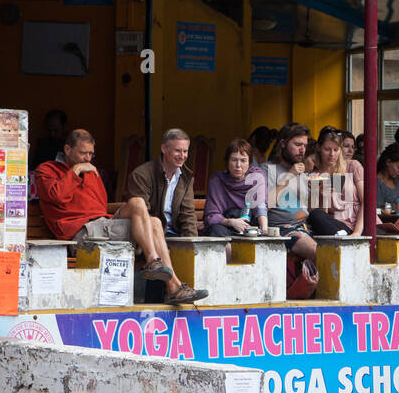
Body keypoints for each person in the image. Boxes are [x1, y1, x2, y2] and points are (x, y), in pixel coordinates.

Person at [35, 129, 207, 304]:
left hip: (104, 224)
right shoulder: (47, 170)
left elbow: (100, 206)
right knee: (154, 225)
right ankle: (173, 287)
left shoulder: (90, 172)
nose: (88, 159)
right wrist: (76, 170)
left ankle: (154, 262)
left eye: (91, 154)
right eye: (83, 153)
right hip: (81, 232)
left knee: (144, 209)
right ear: (67, 149)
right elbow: (55, 195)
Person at [127, 128, 198, 237]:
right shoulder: (141, 175)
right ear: (164, 149)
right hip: (150, 235)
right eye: (178, 151)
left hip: (175, 235)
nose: (182, 156)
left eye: (185, 151)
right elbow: (142, 215)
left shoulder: (186, 177)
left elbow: (187, 215)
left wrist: (192, 248)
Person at [266, 122, 319, 264]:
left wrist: (319, 193)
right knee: (320, 253)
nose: (302, 150)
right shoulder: (267, 170)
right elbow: (266, 204)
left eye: (305, 146)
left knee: (337, 248)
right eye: (297, 145)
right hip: (281, 229)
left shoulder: (301, 172)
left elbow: (308, 209)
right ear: (283, 144)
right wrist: (289, 175)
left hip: (306, 226)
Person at [203, 139, 268, 237]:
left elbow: (260, 206)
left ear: (249, 162)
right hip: (225, 224)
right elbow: (211, 215)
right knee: (216, 231)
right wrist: (232, 222)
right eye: (234, 160)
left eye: (243, 160)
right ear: (227, 161)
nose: (238, 165)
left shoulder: (256, 177)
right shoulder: (217, 180)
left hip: (249, 224)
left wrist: (264, 230)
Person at [307, 126, 364, 236]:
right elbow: (318, 215)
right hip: (336, 225)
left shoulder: (353, 166)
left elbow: (366, 202)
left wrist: (356, 232)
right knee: (315, 215)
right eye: (327, 149)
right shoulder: (316, 175)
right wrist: (321, 195)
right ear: (319, 147)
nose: (332, 154)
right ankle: (340, 237)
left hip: (359, 224)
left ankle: (342, 239)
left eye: (336, 150)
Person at [375, 142, 399, 208]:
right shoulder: (377, 183)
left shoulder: (396, 181)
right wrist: (398, 202)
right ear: (388, 162)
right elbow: (377, 211)